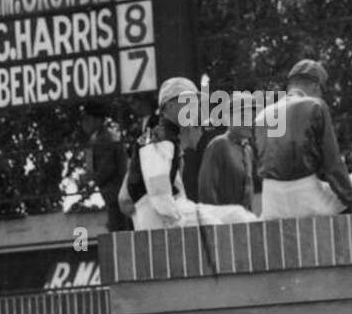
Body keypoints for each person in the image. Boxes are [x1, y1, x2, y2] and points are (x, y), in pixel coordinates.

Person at [120, 77, 257, 231]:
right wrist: (179, 223)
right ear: (169, 106)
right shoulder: (159, 138)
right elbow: (159, 195)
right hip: (158, 218)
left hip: (169, 211)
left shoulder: (167, 138)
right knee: (219, 227)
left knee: (238, 215)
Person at [254, 59, 352, 219]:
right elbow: (332, 164)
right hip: (306, 201)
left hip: (271, 204)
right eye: (322, 90)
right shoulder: (315, 105)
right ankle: (347, 220)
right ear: (315, 85)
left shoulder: (263, 114)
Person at [197, 92, 257, 210]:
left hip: (244, 221)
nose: (250, 123)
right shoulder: (219, 145)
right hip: (223, 222)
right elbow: (206, 191)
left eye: (253, 118)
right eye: (244, 117)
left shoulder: (248, 150)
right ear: (229, 118)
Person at [80, 100, 129, 232]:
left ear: (97, 120)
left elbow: (107, 168)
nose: (84, 124)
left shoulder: (105, 139)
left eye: (87, 119)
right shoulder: (97, 139)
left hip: (116, 193)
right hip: (112, 193)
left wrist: (91, 179)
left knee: (118, 230)